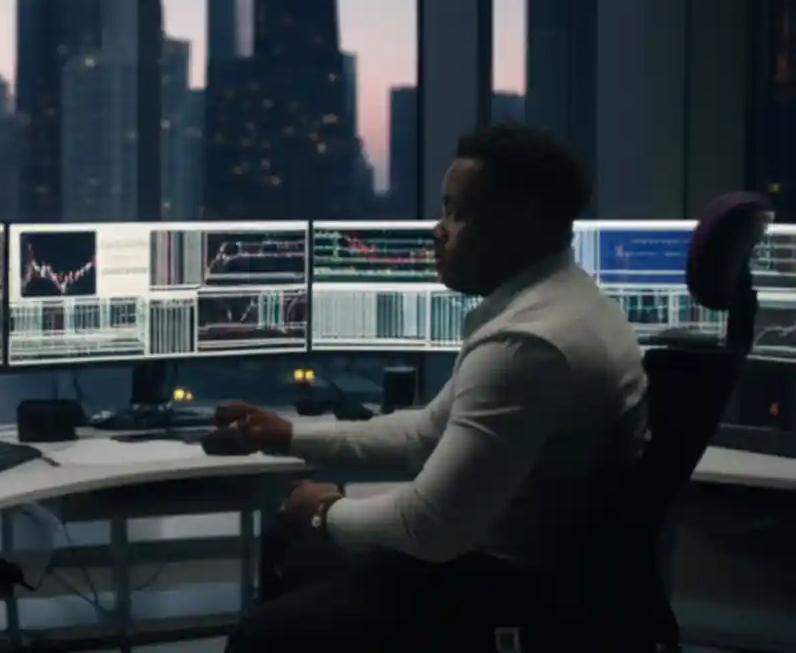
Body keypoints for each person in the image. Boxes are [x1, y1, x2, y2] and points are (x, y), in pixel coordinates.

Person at [217, 123, 649, 652]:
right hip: (529, 568)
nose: (438, 231)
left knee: (261, 635)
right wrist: (288, 435)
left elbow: (432, 528)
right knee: (302, 547)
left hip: (507, 591)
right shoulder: (569, 304)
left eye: (456, 212)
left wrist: (325, 509)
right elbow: (426, 433)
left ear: (517, 225)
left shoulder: (527, 345)